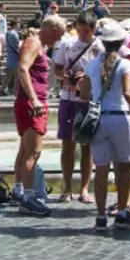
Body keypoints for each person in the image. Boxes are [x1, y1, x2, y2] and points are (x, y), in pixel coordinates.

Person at [78, 20, 130, 232]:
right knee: (124, 167)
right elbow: (129, 94)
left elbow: (84, 95)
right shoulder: (124, 64)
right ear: (121, 41)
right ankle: (122, 211)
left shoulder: (92, 65)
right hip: (120, 117)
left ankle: (101, 216)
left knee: (101, 168)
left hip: (99, 118)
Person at [14, 16, 65, 217]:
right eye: (58, 35)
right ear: (52, 30)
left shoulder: (38, 44)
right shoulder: (34, 43)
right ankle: (28, 198)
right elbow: (22, 68)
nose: (58, 41)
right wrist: (34, 99)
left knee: (25, 149)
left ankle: (19, 189)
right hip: (31, 102)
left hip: (29, 101)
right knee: (33, 152)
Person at [53, 11, 100, 204]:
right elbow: (56, 68)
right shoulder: (67, 45)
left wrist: (86, 79)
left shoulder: (99, 47)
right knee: (67, 144)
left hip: (87, 101)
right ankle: (66, 187)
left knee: (87, 145)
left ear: (94, 29)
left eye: (86, 31)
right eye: (79, 31)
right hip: (68, 98)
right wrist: (66, 77)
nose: (82, 35)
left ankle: (84, 188)